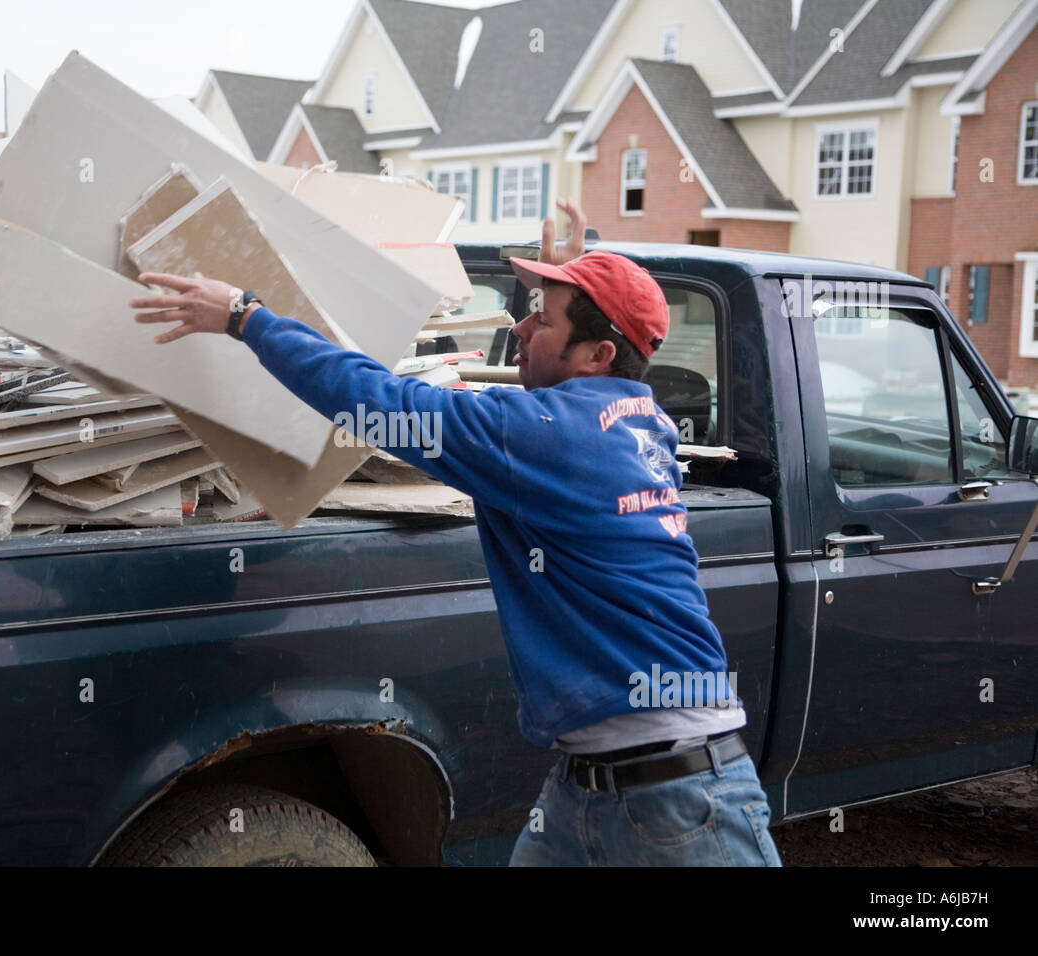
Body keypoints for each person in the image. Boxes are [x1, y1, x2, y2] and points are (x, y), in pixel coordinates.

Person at [128, 200, 781, 867]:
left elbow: (377, 402)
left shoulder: (544, 435)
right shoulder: (638, 421)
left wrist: (247, 317)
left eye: (542, 319)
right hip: (591, 785)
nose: (521, 328)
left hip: (679, 803)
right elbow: (561, 391)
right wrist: (568, 280)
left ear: (597, 354)